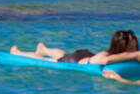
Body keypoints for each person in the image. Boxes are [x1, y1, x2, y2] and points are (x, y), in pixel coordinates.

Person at [9, 29, 139, 65]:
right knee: (47, 60)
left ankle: (44, 49)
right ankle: (18, 52)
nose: (136, 45)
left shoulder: (126, 55)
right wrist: (134, 55)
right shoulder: (105, 56)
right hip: (76, 61)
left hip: (86, 54)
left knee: (62, 54)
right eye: (132, 43)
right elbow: (105, 61)